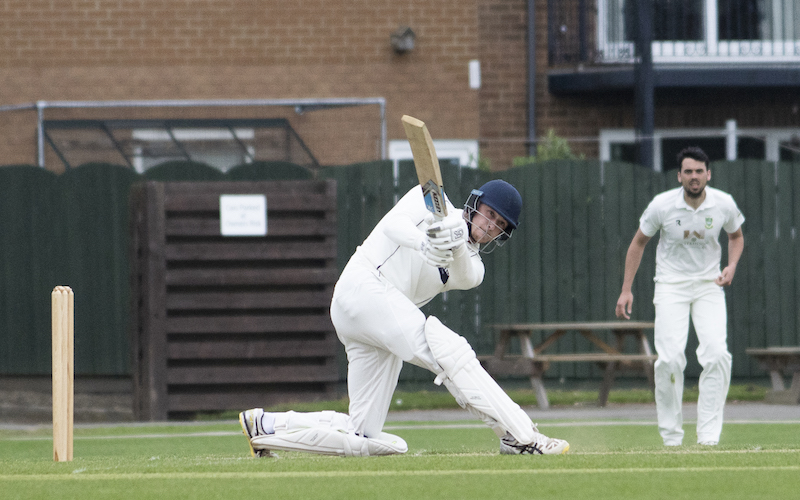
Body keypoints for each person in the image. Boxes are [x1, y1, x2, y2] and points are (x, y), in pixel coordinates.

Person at [238, 179, 569, 457]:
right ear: (476, 204)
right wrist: (425, 241)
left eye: (500, 225)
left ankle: (266, 425)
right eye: (490, 215)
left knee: (364, 436)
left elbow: (464, 270)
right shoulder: (429, 198)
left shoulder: (474, 269)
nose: (490, 226)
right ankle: (520, 437)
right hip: (364, 286)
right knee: (450, 352)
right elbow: (393, 226)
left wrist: (451, 244)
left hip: (377, 318)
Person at [615, 146, 745, 446]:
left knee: (717, 355)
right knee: (670, 361)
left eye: (700, 171)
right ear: (679, 176)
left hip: (709, 285)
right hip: (671, 285)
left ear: (708, 174)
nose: (694, 177)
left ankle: (708, 437)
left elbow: (736, 236)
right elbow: (637, 244)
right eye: (688, 172)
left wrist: (732, 266)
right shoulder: (662, 205)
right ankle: (672, 437)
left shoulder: (723, 203)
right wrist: (626, 290)